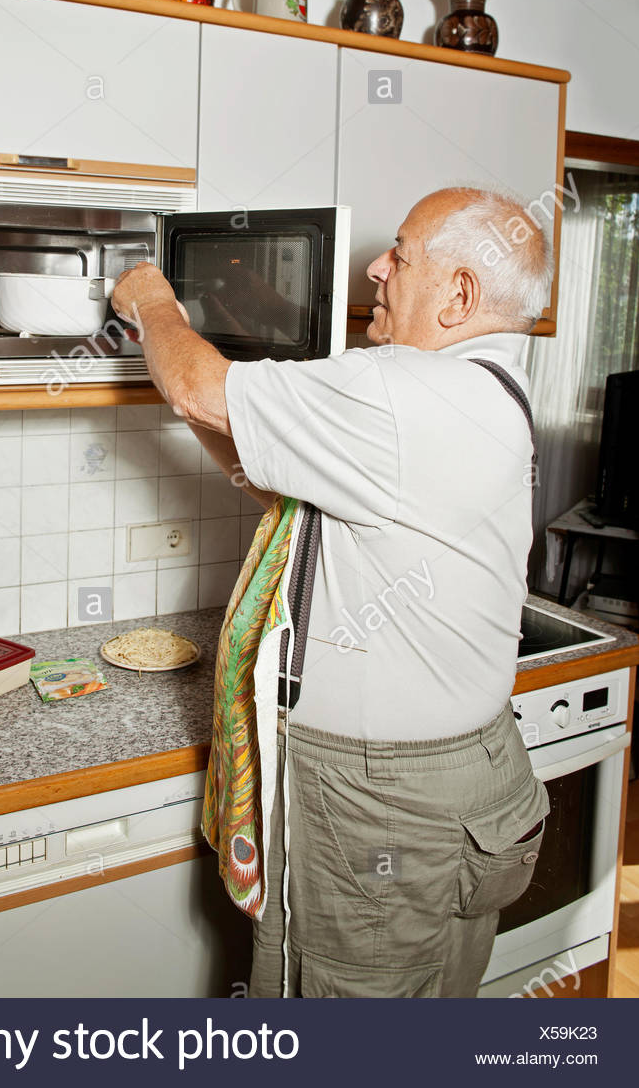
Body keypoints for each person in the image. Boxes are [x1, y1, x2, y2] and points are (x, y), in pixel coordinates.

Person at [111, 186, 552, 998]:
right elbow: (278, 479)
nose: (377, 269)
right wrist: (218, 402)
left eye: (402, 255)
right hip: (468, 778)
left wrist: (152, 303)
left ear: (459, 293)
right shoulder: (486, 388)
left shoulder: (399, 392)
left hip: (378, 798)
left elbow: (197, 387)